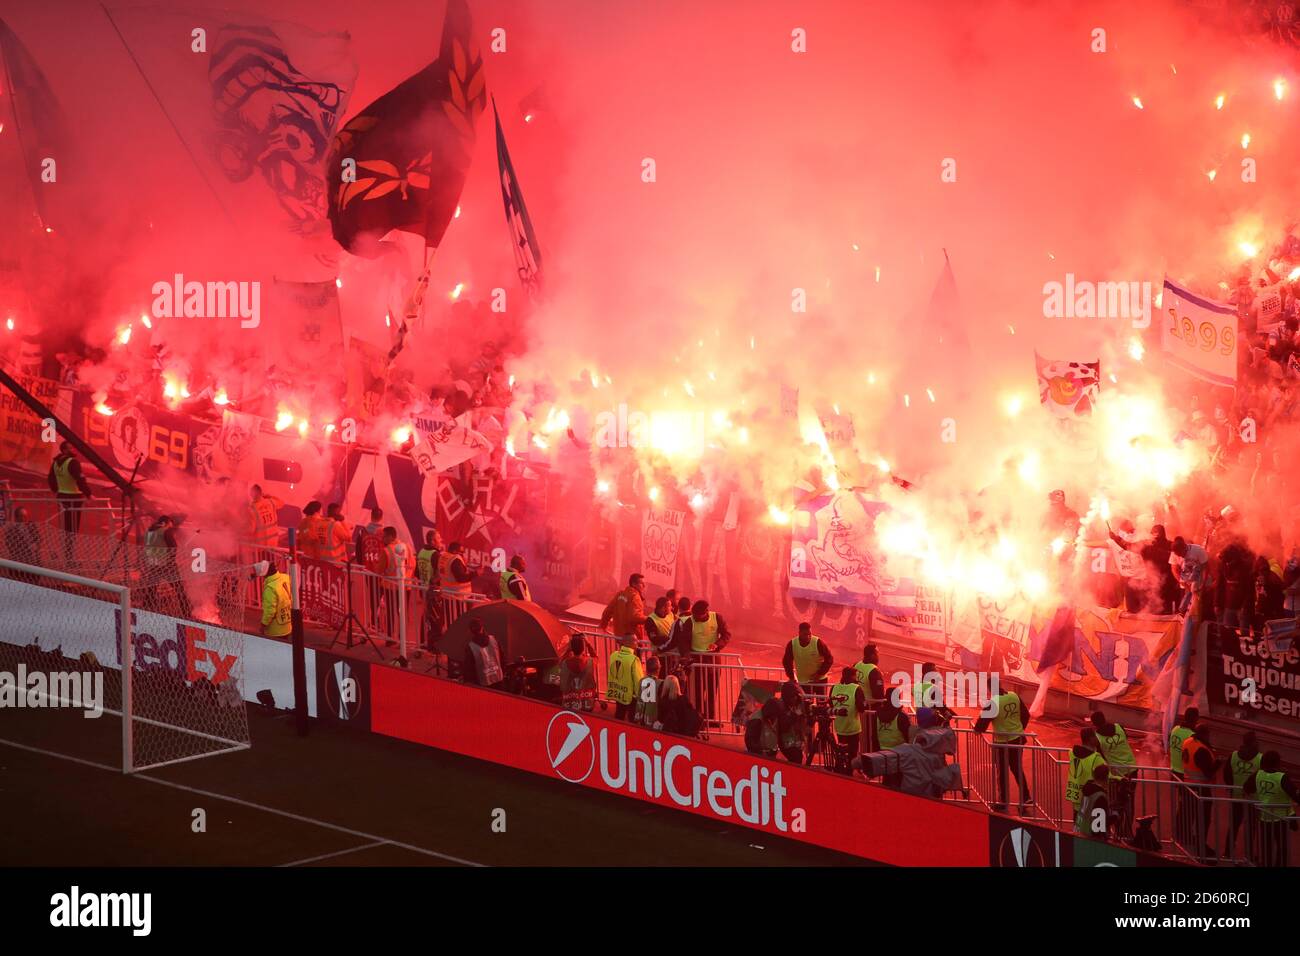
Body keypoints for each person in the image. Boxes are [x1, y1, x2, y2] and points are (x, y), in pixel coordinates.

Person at [974, 684, 1032, 813]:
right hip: (1018, 739)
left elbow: (981, 724)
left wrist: (977, 729)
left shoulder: (993, 702)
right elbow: (1026, 715)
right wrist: (1018, 729)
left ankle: (1003, 801)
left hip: (1002, 742)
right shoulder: (1013, 695)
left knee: (1002, 772)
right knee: (1017, 768)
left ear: (989, 689)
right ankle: (1026, 796)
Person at [1243, 750, 1299, 866]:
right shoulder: (1282, 777)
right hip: (1281, 818)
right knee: (1282, 847)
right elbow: (1294, 795)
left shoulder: (1258, 774)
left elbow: (1247, 788)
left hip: (1265, 817)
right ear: (1277, 763)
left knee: (1266, 847)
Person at [1090, 710, 1136, 839]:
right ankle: (1125, 832)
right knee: (1129, 801)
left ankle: (1116, 831)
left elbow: (1100, 755)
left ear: (1094, 724)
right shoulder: (1118, 727)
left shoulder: (1097, 737)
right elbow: (1125, 739)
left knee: (1115, 802)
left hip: (1116, 774)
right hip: (1131, 768)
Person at [142, 513, 193, 618]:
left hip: (154, 564)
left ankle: (146, 609)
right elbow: (173, 547)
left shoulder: (149, 532)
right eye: (170, 523)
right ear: (165, 522)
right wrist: (171, 562)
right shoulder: (165, 531)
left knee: (151, 589)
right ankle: (187, 613)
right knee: (179, 590)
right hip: (167, 565)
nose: (171, 526)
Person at [1180, 724, 1220, 857]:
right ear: (1204, 734)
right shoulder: (1202, 750)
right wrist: (1218, 764)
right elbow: (1208, 773)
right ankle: (1200, 845)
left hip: (1188, 784)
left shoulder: (1187, 742)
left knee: (1188, 814)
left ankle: (1185, 838)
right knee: (1203, 818)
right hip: (1201, 788)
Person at [1224, 731, 1262, 858]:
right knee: (1251, 828)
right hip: (1253, 798)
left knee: (1234, 824)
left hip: (1236, 795)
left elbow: (1227, 774)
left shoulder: (1234, 755)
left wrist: (1231, 788)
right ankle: (1249, 854)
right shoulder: (1260, 758)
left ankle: (1228, 851)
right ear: (1253, 742)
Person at [47, 440, 91, 545]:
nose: (72, 449)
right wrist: (88, 493)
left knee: (65, 526)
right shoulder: (73, 462)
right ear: (64, 450)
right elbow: (80, 479)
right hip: (74, 498)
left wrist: (55, 491)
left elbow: (50, 479)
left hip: (62, 496)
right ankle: (70, 553)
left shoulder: (55, 463)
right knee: (73, 527)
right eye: (70, 448)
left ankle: (67, 550)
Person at [829, 666, 867, 774]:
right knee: (852, 755)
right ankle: (848, 774)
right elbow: (861, 708)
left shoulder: (834, 687)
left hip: (840, 727)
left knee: (840, 753)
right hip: (852, 728)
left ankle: (840, 771)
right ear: (852, 676)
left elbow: (831, 704)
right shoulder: (856, 688)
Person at [1067, 728, 1108, 826]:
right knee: (1093, 830)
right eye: (1094, 736)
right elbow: (1108, 774)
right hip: (1090, 800)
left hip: (1076, 797)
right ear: (1090, 739)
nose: (1097, 738)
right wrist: (1121, 778)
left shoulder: (1072, 753)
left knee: (1078, 826)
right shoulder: (1095, 758)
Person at [782, 621, 833, 689]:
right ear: (799, 633)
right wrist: (791, 677)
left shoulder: (818, 642)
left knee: (821, 700)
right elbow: (787, 662)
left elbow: (829, 659)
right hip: (803, 682)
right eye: (805, 634)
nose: (808, 636)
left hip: (820, 681)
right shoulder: (792, 644)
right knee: (805, 700)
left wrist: (819, 674)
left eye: (810, 634)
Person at [599, 572, 648, 643]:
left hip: (619, 636)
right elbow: (635, 617)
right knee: (632, 654)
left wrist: (603, 624)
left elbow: (608, 611)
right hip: (633, 638)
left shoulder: (620, 594)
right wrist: (650, 619)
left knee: (622, 653)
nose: (644, 586)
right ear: (634, 584)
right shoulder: (635, 597)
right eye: (641, 583)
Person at [605, 634, 643, 721]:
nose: (638, 642)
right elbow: (638, 680)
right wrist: (640, 696)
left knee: (619, 714)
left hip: (617, 692)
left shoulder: (613, 655)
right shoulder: (634, 660)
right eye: (635, 640)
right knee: (632, 718)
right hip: (630, 696)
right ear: (628, 642)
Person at [557, 633, 597, 712]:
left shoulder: (565, 663)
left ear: (572, 648)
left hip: (570, 703)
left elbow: (559, 662)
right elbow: (595, 656)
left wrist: (568, 649)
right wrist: (588, 643)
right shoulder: (590, 662)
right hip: (587, 702)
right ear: (583, 649)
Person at [462, 618, 504, 689]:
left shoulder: (470, 647)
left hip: (483, 684)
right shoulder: (494, 640)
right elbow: (503, 658)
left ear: (471, 631)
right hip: (499, 680)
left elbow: (469, 669)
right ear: (482, 627)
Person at [246, 484, 283, 562]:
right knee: (272, 567)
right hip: (273, 543)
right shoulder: (270, 502)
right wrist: (269, 496)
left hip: (261, 546)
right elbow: (282, 503)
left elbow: (250, 529)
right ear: (261, 493)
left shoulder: (252, 509)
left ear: (252, 494)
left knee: (262, 570)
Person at [1076, 763, 1111, 839]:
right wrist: (1115, 815)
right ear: (1106, 778)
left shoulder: (1087, 790)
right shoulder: (1100, 797)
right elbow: (1099, 826)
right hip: (1091, 839)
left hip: (1080, 831)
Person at [260, 557, 292, 638]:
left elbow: (270, 611)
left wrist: (263, 624)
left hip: (275, 630)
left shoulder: (270, 588)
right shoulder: (286, 577)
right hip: (287, 626)